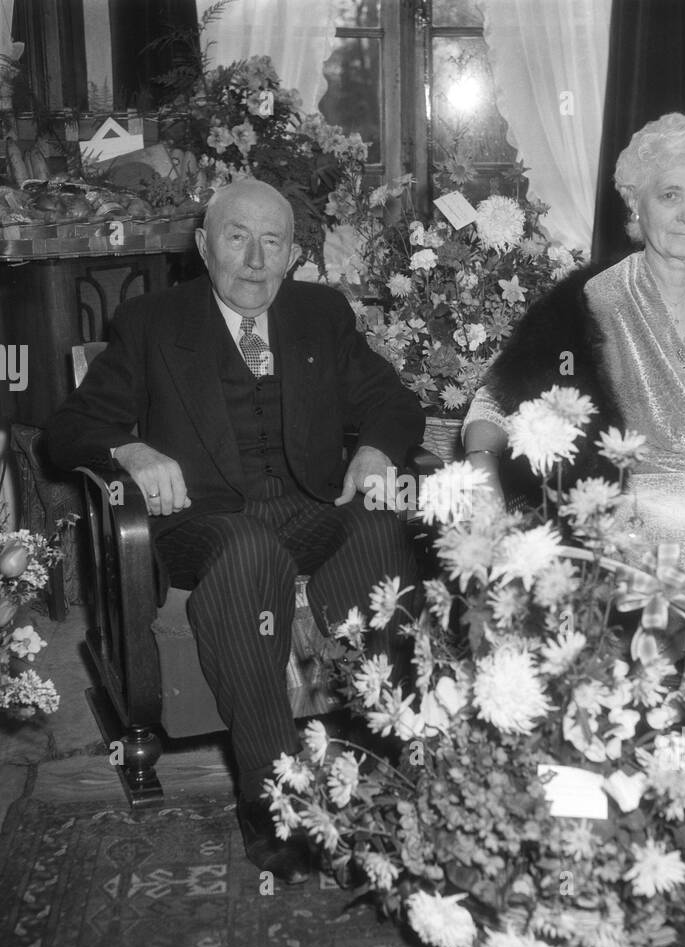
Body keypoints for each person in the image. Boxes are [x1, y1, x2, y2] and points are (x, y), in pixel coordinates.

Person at [47, 178, 423, 884]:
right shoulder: (152, 323)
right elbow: (67, 430)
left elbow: (392, 400)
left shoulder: (321, 313)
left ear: (291, 256)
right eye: (236, 237)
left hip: (308, 509)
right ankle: (272, 790)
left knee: (381, 524)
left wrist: (376, 447)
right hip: (208, 524)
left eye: (271, 242)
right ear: (203, 245)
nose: (254, 259)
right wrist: (129, 449)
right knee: (251, 553)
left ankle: (374, 754)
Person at [462, 113, 685, 693]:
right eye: (670, 195)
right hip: (630, 501)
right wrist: (482, 473)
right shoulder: (593, 299)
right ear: (637, 205)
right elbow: (496, 399)